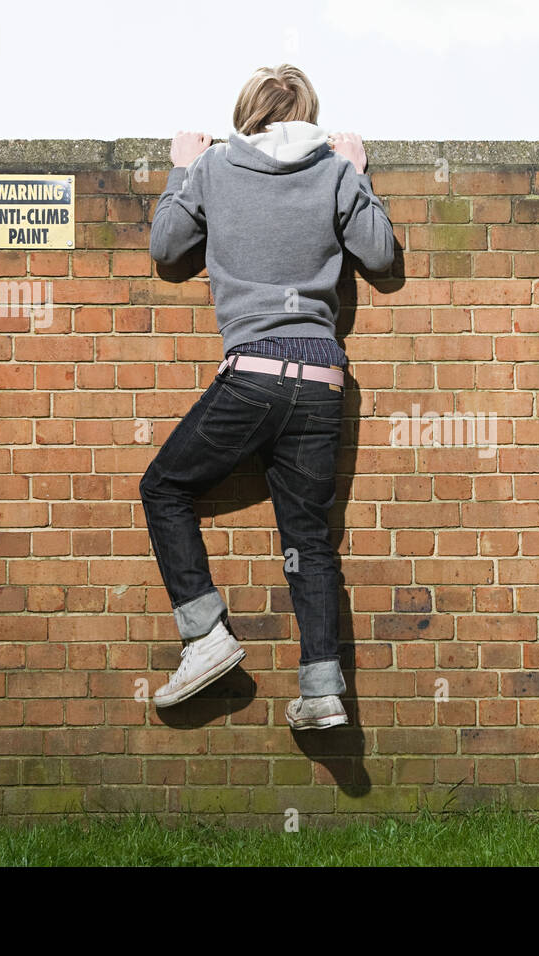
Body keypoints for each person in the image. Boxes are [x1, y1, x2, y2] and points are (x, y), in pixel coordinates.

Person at [142, 63, 395, 730]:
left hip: (253, 372)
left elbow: (166, 247)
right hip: (322, 381)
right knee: (310, 542)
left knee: (163, 489)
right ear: (309, 114)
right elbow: (380, 254)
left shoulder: (216, 171)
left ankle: (205, 637)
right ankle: (320, 693)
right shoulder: (336, 173)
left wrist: (183, 169)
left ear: (246, 113)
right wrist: (356, 172)